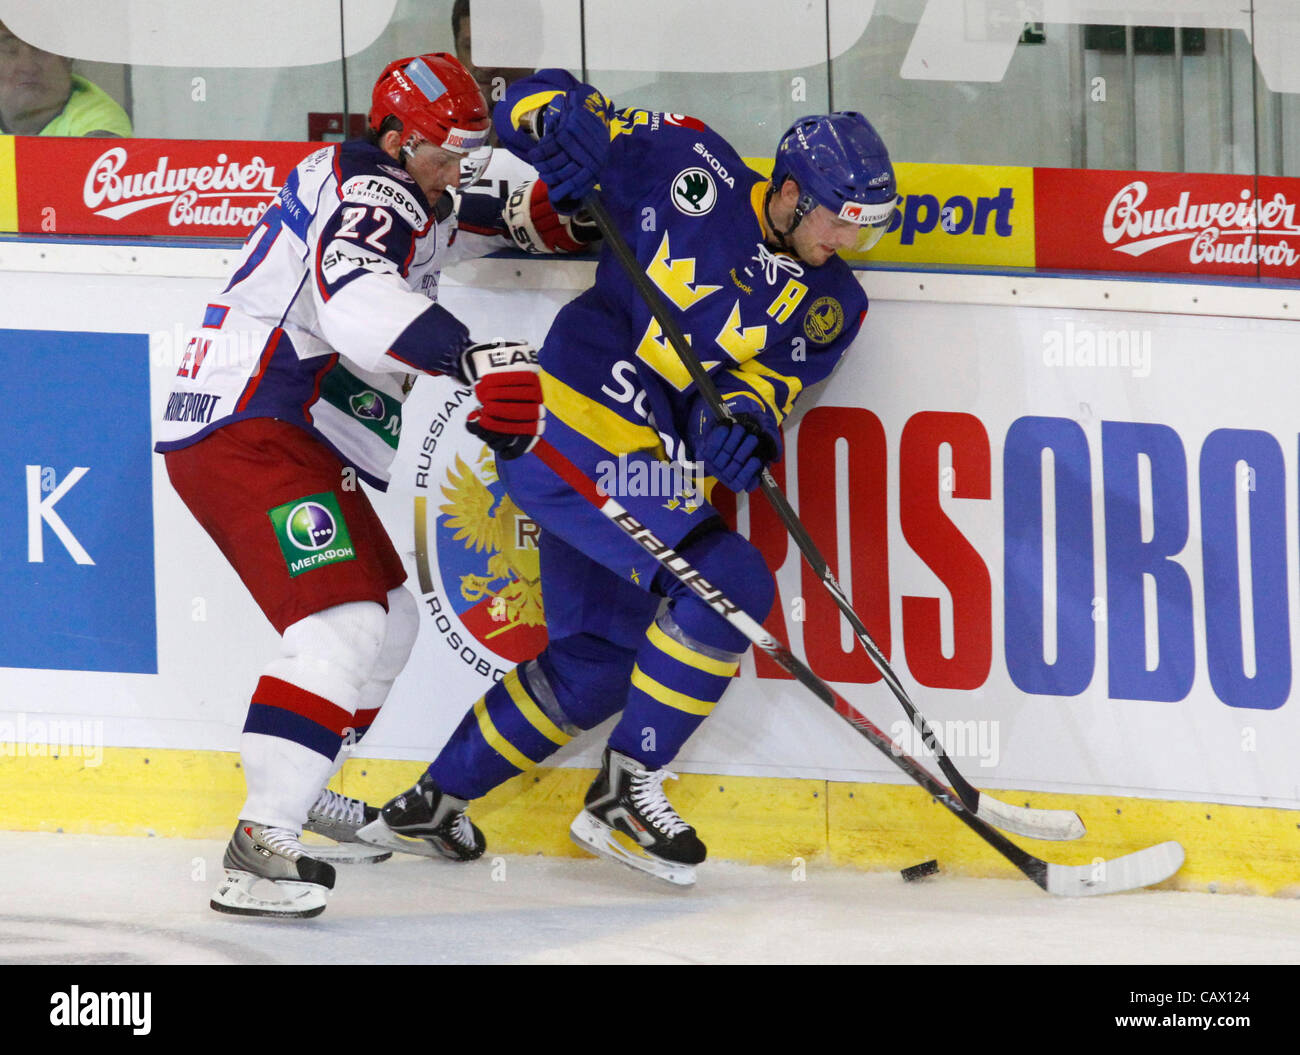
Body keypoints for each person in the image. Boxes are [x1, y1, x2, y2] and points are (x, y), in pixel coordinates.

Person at [357, 69, 900, 885]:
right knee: (732, 581)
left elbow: (762, 394)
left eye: (864, 232)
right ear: (789, 191)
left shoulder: (834, 304)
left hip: (639, 455)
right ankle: (624, 791)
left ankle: (431, 805)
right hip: (566, 413)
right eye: (837, 223)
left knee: (605, 656)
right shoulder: (692, 161)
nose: (843, 245)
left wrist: (738, 429)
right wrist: (558, 123)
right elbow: (527, 99)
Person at [155, 53, 565, 918]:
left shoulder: (403, 191)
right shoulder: (372, 191)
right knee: (342, 623)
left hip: (275, 429)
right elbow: (355, 297)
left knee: (390, 621)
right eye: (444, 155)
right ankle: (260, 844)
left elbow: (485, 218)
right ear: (394, 138)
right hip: (252, 425)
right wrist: (472, 354)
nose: (455, 173)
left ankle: (302, 796)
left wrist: (574, 206)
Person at [0, 20, 131, 137]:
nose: (27, 66)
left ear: (67, 60)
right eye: (9, 49)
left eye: (41, 49)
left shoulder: (98, 122)